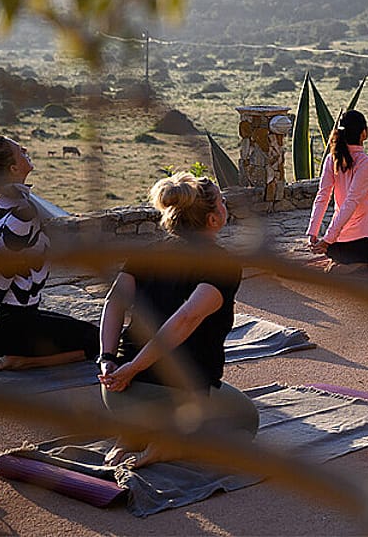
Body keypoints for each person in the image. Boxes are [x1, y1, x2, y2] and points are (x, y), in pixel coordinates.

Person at [98, 173, 258, 468]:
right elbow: (186, 318)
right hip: (169, 396)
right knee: (246, 421)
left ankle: (132, 436)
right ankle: (168, 447)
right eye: (222, 202)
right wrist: (135, 368)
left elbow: (113, 301)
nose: (225, 206)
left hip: (118, 392)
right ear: (212, 219)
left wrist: (108, 360)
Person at [0, 135, 97, 375]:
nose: (25, 149)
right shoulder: (21, 211)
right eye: (19, 151)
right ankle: (17, 361)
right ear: (13, 168)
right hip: (10, 327)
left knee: (63, 325)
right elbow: (1, 274)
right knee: (97, 339)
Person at [306, 109, 368, 266]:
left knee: (366, 247)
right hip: (359, 246)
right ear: (364, 134)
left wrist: (313, 234)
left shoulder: (331, 159)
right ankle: (360, 266)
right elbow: (351, 202)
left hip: (334, 248)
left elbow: (322, 197)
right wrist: (326, 240)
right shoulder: (366, 163)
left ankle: (346, 263)